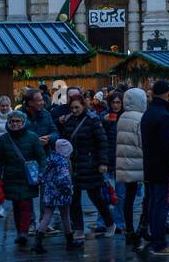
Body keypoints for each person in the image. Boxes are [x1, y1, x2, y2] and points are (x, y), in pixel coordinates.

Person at [60, 93, 114, 240]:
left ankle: (109, 223)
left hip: (91, 164)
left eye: (77, 107)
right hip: (75, 166)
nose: (74, 110)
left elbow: (102, 142)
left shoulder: (93, 120)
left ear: (83, 106)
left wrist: (103, 163)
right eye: (72, 108)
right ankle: (78, 229)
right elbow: (64, 140)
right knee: (74, 199)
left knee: (96, 197)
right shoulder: (69, 120)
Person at [0, 109, 43, 247]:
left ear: (23, 122)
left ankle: (23, 232)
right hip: (11, 177)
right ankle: (21, 231)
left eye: (17, 121)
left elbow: (41, 157)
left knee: (25, 204)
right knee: (16, 203)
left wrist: (41, 173)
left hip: (28, 177)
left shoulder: (32, 137)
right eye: (12, 121)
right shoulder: (4, 139)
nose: (14, 124)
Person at [140, 80, 169, 256]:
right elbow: (168, 146)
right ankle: (160, 243)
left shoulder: (148, 113)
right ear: (167, 93)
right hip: (163, 166)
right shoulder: (165, 116)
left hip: (150, 165)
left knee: (155, 203)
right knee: (161, 204)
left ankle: (157, 239)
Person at [115, 88, 147, 248]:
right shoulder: (140, 118)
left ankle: (129, 230)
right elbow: (143, 142)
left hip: (124, 162)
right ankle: (143, 225)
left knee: (128, 196)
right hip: (139, 163)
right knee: (146, 197)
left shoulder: (122, 117)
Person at [35, 137, 77, 252]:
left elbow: (42, 174)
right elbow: (64, 178)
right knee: (65, 216)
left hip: (49, 192)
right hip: (61, 193)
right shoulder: (63, 161)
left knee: (47, 216)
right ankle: (70, 241)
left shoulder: (50, 158)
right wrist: (69, 190)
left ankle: (38, 242)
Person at [101, 91, 124, 233]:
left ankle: (119, 223)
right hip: (106, 159)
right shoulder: (103, 116)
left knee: (121, 194)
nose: (116, 105)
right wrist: (105, 122)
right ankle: (103, 222)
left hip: (121, 159)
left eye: (118, 102)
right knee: (105, 193)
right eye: (113, 102)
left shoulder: (125, 117)